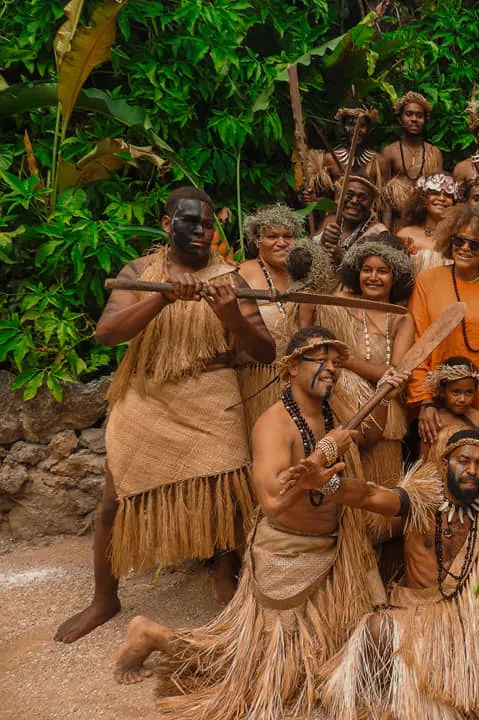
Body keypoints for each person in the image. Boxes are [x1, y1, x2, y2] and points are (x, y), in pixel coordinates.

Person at [111, 328, 409, 720]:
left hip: (335, 553)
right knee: (258, 670)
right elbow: (271, 502)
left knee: (335, 658)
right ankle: (154, 635)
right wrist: (322, 459)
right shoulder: (275, 425)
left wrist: (383, 389)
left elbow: (368, 434)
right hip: (287, 554)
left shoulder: (333, 407)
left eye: (336, 362)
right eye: (319, 359)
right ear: (289, 368)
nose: (331, 369)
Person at [54, 188, 276, 644]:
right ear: (166, 223)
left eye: (208, 224)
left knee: (231, 496)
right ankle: (104, 598)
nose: (200, 231)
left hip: (211, 396)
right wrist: (163, 299)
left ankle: (225, 570)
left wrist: (231, 315)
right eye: (190, 222)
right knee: (114, 502)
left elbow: (265, 350)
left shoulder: (230, 277)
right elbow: (107, 334)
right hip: (146, 394)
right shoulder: (141, 273)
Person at [323, 428, 479, 719]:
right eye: (463, 460)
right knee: (375, 630)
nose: (472, 470)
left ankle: (447, 680)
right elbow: (370, 495)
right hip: (415, 619)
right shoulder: (420, 500)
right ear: (444, 463)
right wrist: (329, 484)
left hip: (469, 629)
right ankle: (456, 683)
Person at [408, 204, 479, 449]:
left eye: (474, 244)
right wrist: (425, 401)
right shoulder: (427, 281)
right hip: (435, 414)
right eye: (459, 240)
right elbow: (416, 347)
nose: (464, 248)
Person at [301, 240, 416, 485]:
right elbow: (306, 335)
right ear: (357, 273)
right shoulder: (338, 306)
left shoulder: (401, 318)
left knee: (378, 494)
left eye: (382, 271)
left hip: (384, 415)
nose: (373, 277)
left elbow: (393, 374)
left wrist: (347, 360)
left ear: (395, 277)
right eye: (367, 270)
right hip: (338, 408)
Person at [236, 204, 303, 433]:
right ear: (257, 239)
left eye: (288, 236)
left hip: (299, 378)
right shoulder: (240, 274)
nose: (282, 243)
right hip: (256, 377)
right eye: (272, 236)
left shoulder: (302, 274)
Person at [297, 101, 382, 208]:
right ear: (342, 128)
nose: (356, 130)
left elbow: (384, 203)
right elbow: (324, 197)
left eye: (361, 125)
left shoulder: (378, 161)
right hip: (335, 221)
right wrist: (314, 200)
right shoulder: (329, 159)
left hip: (368, 222)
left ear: (369, 129)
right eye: (351, 124)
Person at [380, 91, 444, 231]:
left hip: (426, 226)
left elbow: (440, 195)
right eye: (409, 114)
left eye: (419, 115)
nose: (414, 119)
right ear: (400, 119)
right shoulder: (390, 152)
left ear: (426, 119)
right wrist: (386, 231)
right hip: (397, 223)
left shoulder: (434, 153)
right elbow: (385, 199)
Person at [316, 171, 388, 270]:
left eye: (362, 198)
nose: (354, 201)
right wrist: (321, 243)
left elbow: (374, 273)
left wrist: (343, 258)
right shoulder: (330, 220)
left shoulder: (378, 233)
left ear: (372, 203)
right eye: (349, 194)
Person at [419, 356, 479, 458]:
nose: (462, 399)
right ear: (442, 391)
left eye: (468, 392)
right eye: (456, 392)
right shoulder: (434, 420)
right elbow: (423, 458)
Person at [396, 172, 455, 274]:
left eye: (448, 195)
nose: (441, 198)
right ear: (423, 199)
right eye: (435, 193)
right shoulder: (405, 234)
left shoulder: (458, 238)